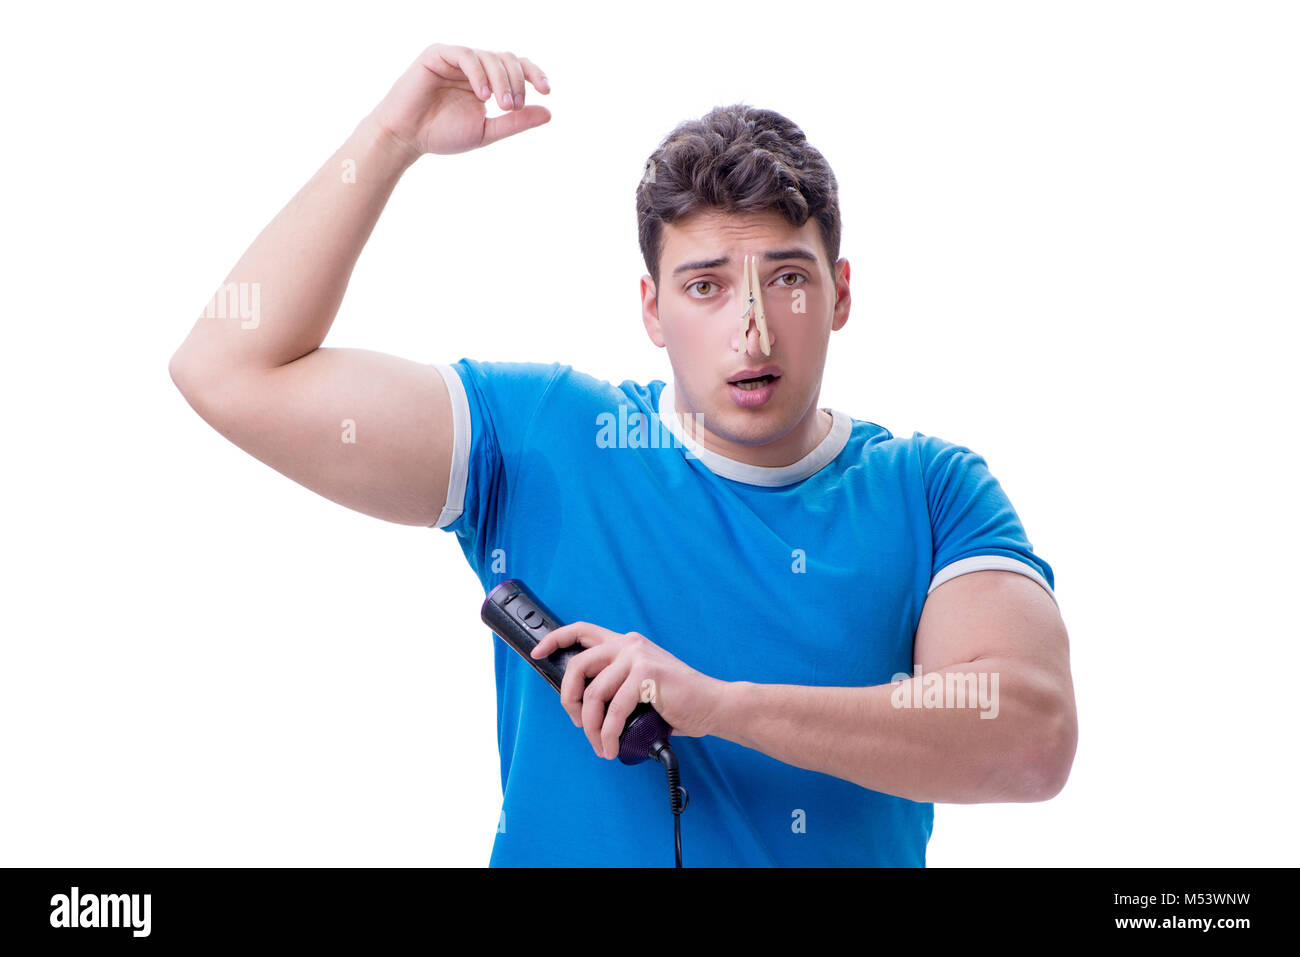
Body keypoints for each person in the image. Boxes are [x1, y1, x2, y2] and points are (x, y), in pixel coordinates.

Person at [169, 43, 1078, 866]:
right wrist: (390, 136)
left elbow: (1032, 736)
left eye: (787, 278)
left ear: (840, 293)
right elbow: (227, 368)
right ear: (651, 308)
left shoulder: (932, 490)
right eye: (707, 287)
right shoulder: (545, 438)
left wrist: (721, 705)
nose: (751, 328)